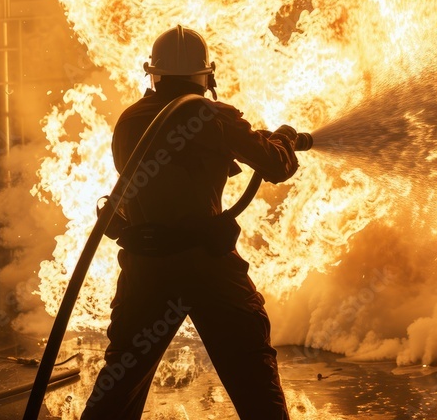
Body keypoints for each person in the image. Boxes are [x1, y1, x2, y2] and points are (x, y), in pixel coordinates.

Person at [81, 25, 299, 419]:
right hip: (208, 267)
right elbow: (275, 164)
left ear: (154, 74)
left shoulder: (129, 120)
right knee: (252, 370)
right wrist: (285, 138)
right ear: (206, 76)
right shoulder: (213, 115)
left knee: (119, 385)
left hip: (146, 270)